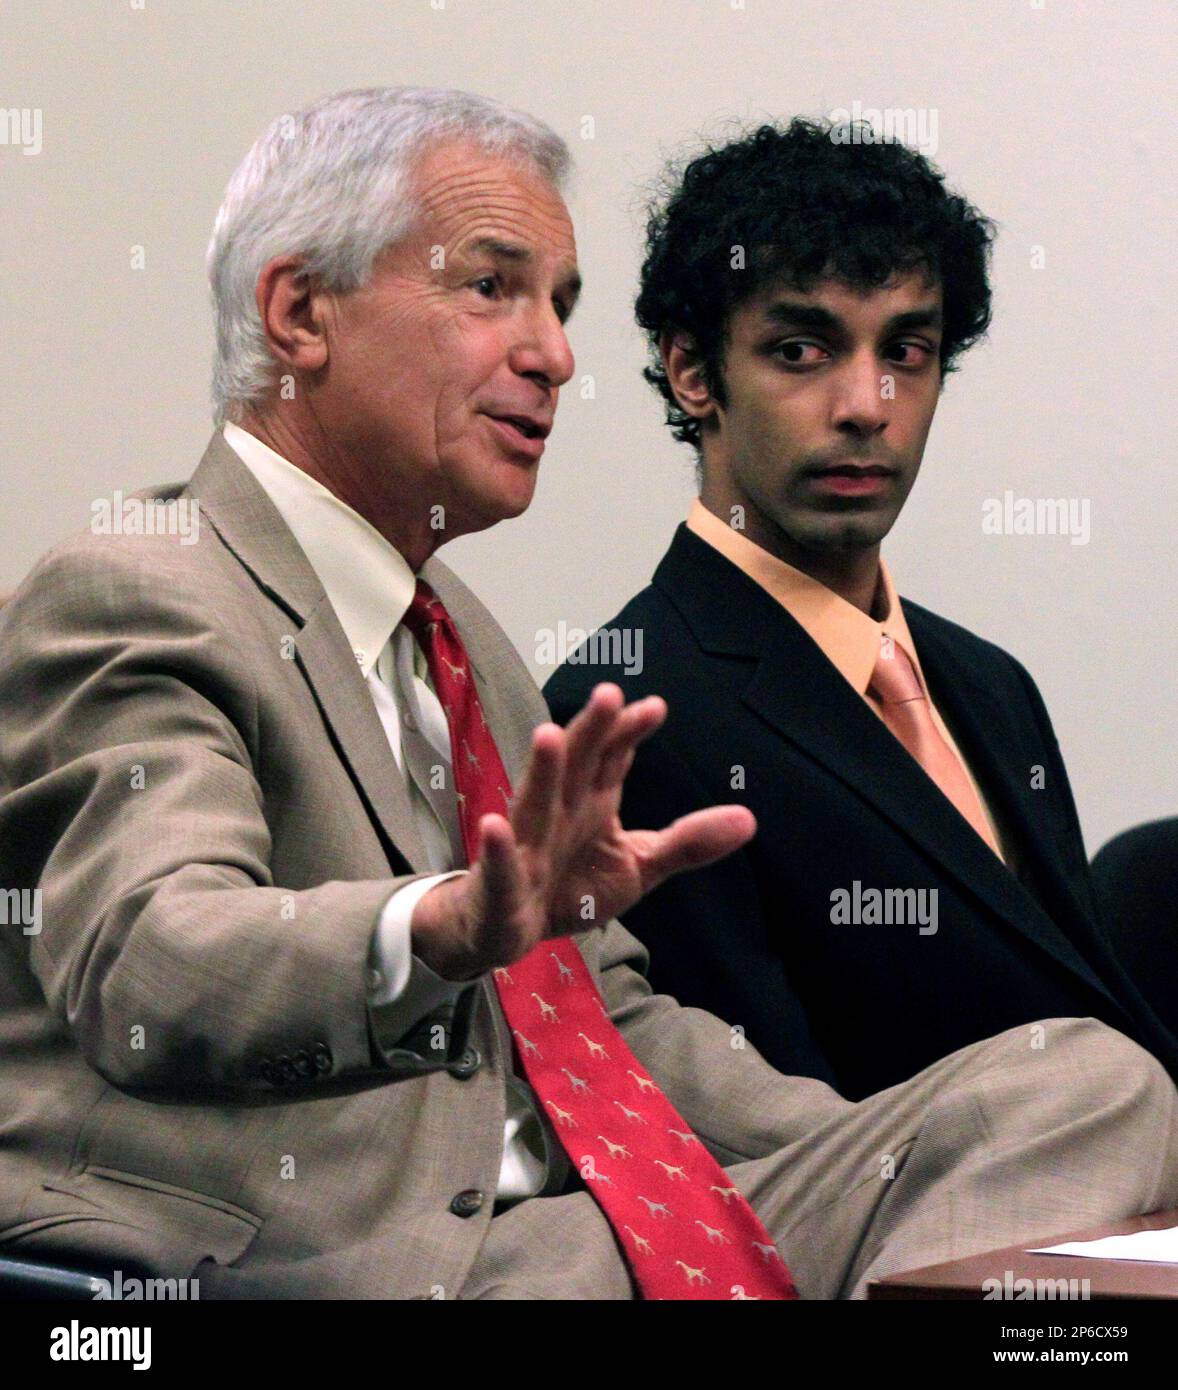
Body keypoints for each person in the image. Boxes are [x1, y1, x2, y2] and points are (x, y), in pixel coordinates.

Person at [1, 89, 1175, 1301]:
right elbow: (148, 961)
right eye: (490, 288)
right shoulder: (138, 588)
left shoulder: (464, 643)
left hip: (590, 1231)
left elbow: (602, 1012)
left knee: (1086, 1082)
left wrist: (866, 1153)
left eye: (558, 305)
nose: (554, 354)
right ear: (301, 313)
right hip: (351, 1265)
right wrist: (442, 926)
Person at [544, 118, 1178, 1102]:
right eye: (801, 349)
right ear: (691, 372)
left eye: (906, 351)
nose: (865, 404)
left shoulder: (985, 682)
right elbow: (769, 1147)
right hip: (897, 1249)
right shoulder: (628, 707)